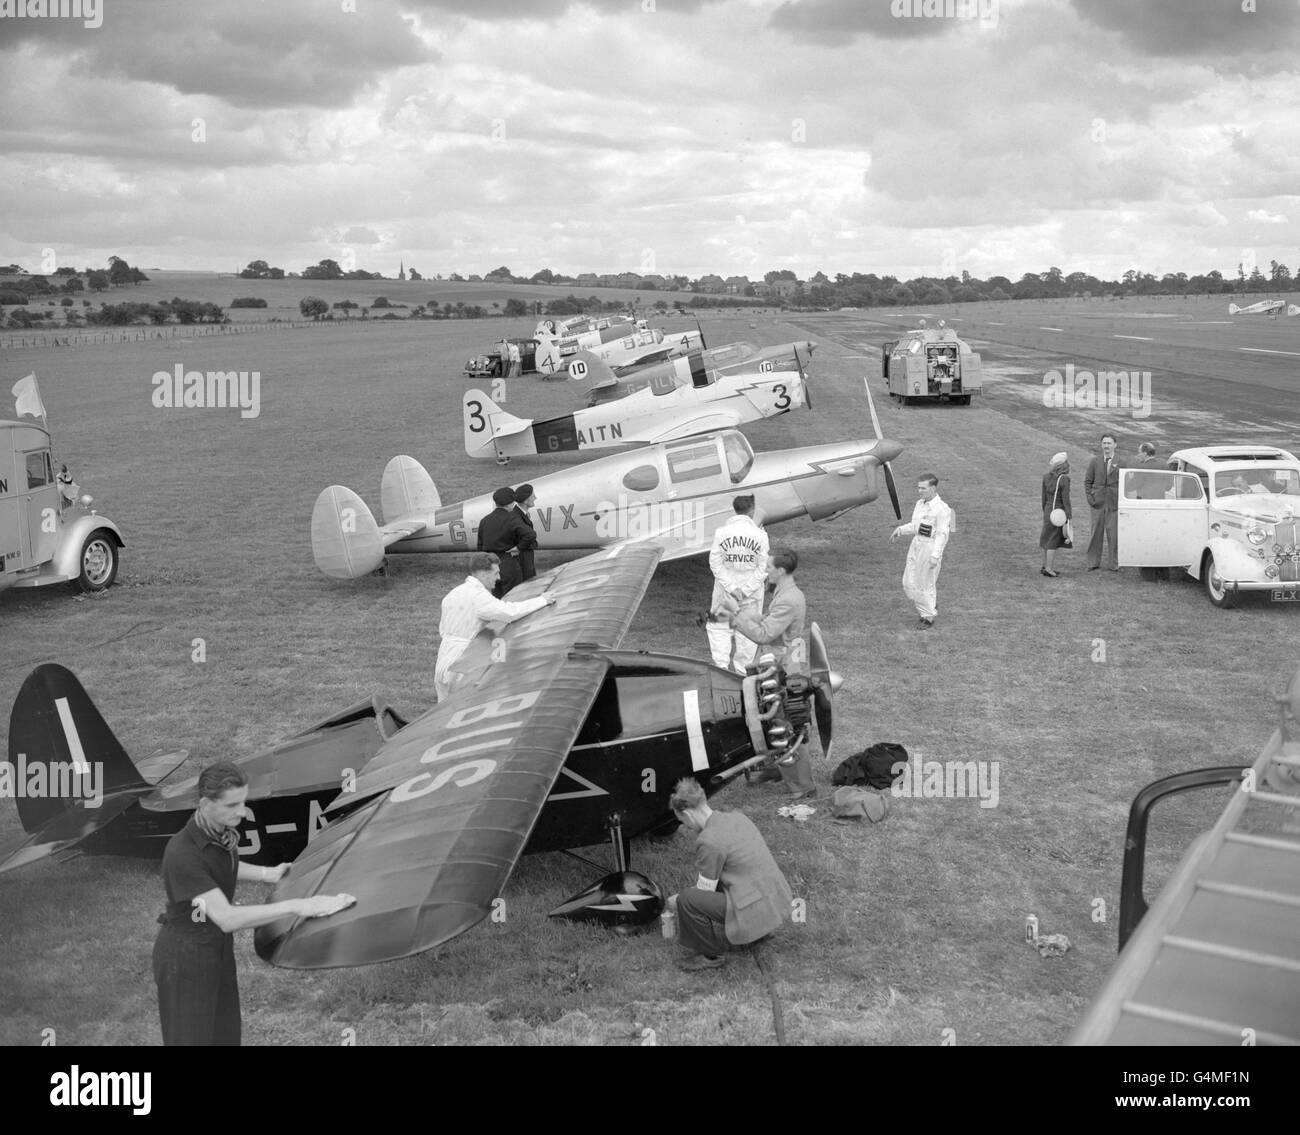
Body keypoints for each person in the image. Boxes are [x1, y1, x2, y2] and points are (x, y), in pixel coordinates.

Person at [153, 762, 354, 1046]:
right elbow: (227, 918)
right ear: (205, 804)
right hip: (185, 961)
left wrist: (266, 873)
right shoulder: (183, 854)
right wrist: (296, 906)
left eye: (243, 802)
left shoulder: (219, 832)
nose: (242, 812)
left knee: (225, 1036)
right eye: (232, 805)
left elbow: (220, 864)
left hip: (216, 949)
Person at [666, 778, 793, 972]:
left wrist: (676, 900)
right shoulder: (737, 817)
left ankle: (709, 956)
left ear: (688, 814)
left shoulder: (709, 840)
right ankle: (761, 932)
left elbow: (704, 890)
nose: (685, 826)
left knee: (687, 900)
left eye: (682, 821)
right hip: (774, 898)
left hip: (754, 909)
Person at [726, 547, 818, 798]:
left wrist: (736, 618)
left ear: (781, 570)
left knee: (786, 723)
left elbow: (765, 634)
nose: (765, 570)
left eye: (768, 567)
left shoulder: (789, 598)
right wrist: (746, 613)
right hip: (780, 661)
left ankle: (802, 786)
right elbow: (768, 618)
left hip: (784, 666)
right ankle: (777, 769)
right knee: (771, 718)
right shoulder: (786, 592)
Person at [435, 552, 554, 700]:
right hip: (460, 662)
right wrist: (542, 601)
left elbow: (443, 629)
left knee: (442, 711)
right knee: (464, 703)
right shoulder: (478, 596)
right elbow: (510, 612)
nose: (498, 578)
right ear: (484, 574)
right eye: (496, 573)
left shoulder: (453, 594)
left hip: (442, 658)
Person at [706, 495, 768, 672]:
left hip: (725, 589)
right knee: (748, 631)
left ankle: (721, 669)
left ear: (735, 509)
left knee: (719, 627)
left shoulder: (721, 533)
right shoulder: (760, 535)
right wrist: (746, 590)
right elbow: (763, 567)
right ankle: (743, 673)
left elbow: (715, 563)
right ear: (752, 509)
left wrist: (732, 588)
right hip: (752, 590)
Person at [890, 473, 953, 630]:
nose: (919, 491)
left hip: (929, 548)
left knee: (924, 583)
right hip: (916, 545)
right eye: (918, 487)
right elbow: (916, 525)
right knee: (908, 581)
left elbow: (942, 534)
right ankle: (930, 604)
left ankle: (928, 617)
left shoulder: (942, 509)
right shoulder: (920, 504)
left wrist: (935, 556)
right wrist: (900, 530)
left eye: (923, 488)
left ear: (933, 488)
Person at [477, 486, 536, 597]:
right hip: (508, 562)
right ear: (510, 503)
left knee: (496, 597)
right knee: (513, 597)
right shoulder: (512, 519)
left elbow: (480, 545)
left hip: (491, 563)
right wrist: (518, 548)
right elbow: (530, 534)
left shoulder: (484, 520)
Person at [1084, 434, 1121, 571]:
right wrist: (1090, 498)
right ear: (1101, 445)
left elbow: (1126, 483)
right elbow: (1088, 481)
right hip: (1097, 503)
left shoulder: (1121, 462)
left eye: (1109, 443)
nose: (1106, 446)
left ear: (1115, 445)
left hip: (1114, 504)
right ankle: (1093, 563)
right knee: (1095, 534)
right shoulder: (1095, 461)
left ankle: (1114, 564)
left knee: (1114, 535)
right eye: (1104, 443)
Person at [1039, 452, 1071, 577]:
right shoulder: (1064, 479)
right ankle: (1048, 568)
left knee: (1046, 538)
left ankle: (1044, 565)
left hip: (1048, 510)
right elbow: (1066, 500)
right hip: (1058, 513)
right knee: (1052, 540)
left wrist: (1046, 511)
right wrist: (1069, 516)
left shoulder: (1046, 476)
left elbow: (1044, 497)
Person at [513, 484, 538, 582]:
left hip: (525, 555)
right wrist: (520, 547)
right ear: (525, 500)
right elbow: (529, 535)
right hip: (523, 557)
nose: (535, 498)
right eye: (533, 496)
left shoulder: (520, 513)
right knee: (528, 581)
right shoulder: (517, 516)